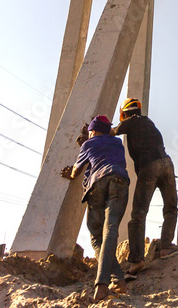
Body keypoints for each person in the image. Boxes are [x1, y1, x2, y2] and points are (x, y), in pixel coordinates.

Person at [60, 114, 129, 301]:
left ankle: (102, 285)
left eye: (90, 132)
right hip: (120, 180)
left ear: (94, 131)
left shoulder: (87, 145)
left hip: (98, 183)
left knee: (97, 237)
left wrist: (71, 173)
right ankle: (119, 281)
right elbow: (105, 153)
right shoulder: (118, 143)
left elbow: (76, 170)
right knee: (111, 229)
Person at [112, 98, 178, 274]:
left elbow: (112, 132)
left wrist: (92, 131)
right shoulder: (148, 122)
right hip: (167, 163)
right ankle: (165, 247)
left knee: (138, 214)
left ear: (124, 114)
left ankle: (136, 260)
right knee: (171, 208)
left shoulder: (131, 122)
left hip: (150, 166)